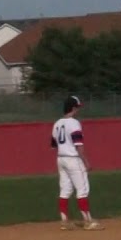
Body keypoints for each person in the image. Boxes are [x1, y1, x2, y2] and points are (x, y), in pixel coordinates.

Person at [50, 95, 101, 230]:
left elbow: (54, 145)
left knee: (65, 190)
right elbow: (78, 145)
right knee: (82, 190)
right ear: (73, 108)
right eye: (77, 107)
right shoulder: (74, 123)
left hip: (60, 158)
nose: (78, 110)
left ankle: (64, 222)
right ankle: (88, 221)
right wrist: (86, 161)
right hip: (73, 159)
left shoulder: (57, 124)